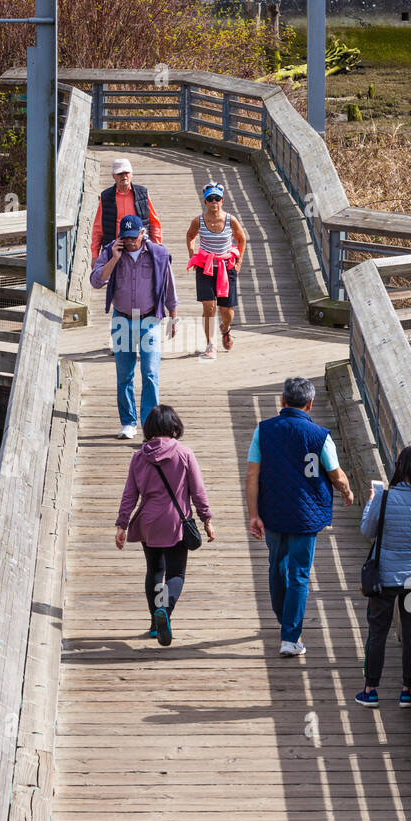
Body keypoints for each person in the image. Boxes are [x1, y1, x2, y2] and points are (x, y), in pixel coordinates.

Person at [246, 377, 354, 657]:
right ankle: (290, 637)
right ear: (310, 403)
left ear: (283, 400)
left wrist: (254, 514)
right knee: (300, 575)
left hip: (272, 510)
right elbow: (335, 473)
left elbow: (252, 475)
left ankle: (285, 621)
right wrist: (346, 490)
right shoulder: (319, 435)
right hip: (306, 515)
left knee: (276, 565)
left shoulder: (264, 430)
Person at [115, 404, 214, 645]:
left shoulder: (139, 457)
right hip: (176, 523)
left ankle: (153, 624)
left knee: (154, 571)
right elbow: (198, 491)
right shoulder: (184, 454)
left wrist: (122, 524)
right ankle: (165, 611)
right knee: (176, 572)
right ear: (175, 427)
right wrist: (207, 519)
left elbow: (130, 494)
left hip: (148, 522)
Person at [356, 445, 411, 709]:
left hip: (384, 575)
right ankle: (408, 690)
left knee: (378, 632)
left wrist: (372, 501)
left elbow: (367, 530)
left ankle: (371, 690)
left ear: (400, 467)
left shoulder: (384, 497)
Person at [90, 214, 178, 439]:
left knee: (149, 373)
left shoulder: (158, 253)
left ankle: (151, 427)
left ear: (142, 233)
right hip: (122, 319)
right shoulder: (111, 250)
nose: (130, 242)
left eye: (133, 237)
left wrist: (173, 317)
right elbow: (96, 281)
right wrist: (114, 259)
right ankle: (128, 423)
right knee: (124, 374)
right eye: (125, 238)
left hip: (149, 319)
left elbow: (169, 287)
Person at [186, 182, 247, 360]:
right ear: (205, 202)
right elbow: (190, 236)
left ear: (222, 201)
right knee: (209, 306)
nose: (214, 202)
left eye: (217, 198)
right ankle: (210, 344)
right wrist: (192, 254)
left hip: (226, 266)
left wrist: (239, 262)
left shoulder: (230, 220)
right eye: (210, 199)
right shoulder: (199, 220)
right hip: (205, 267)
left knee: (226, 309)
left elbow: (241, 239)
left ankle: (225, 328)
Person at [91, 157, 163, 261]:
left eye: (126, 173)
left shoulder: (143, 193)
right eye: (120, 173)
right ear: (113, 176)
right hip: (114, 249)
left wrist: (157, 248)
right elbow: (98, 228)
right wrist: (94, 255)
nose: (124, 176)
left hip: (139, 248)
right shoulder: (105, 197)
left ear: (131, 174)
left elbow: (154, 222)